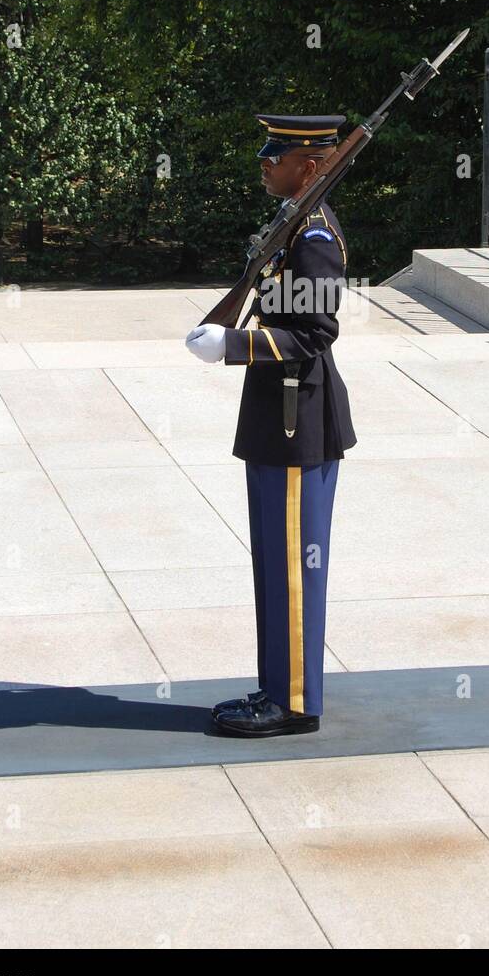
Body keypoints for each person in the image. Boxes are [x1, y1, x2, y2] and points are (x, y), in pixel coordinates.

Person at [185, 113, 356, 737]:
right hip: (276, 417)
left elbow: (315, 334)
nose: (264, 162)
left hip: (297, 421)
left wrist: (233, 345)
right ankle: (278, 686)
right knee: (275, 564)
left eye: (275, 156)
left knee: (293, 568)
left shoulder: (313, 236)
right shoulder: (292, 227)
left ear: (310, 166)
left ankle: (292, 703)